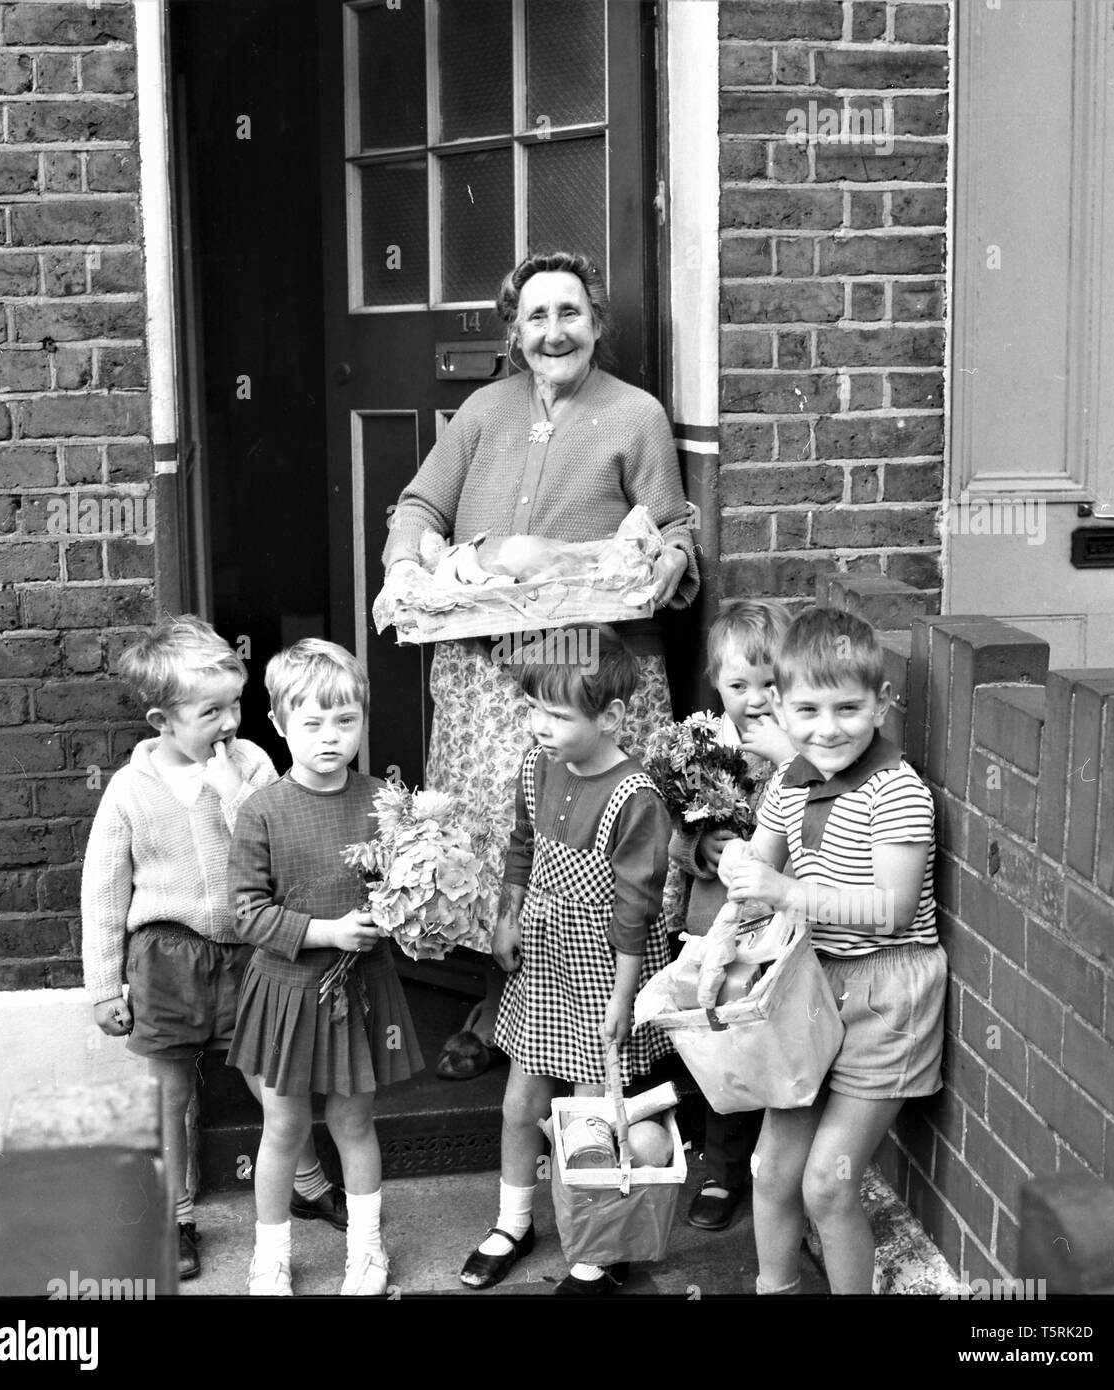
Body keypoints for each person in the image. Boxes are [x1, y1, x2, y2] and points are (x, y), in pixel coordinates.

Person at [382, 250, 698, 1079]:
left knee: (590, 838)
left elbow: (671, 523)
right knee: (499, 832)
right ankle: (500, 1002)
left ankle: (605, 1009)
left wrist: (671, 555)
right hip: (489, 675)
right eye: (535, 317)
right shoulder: (484, 412)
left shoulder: (635, 415)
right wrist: (405, 564)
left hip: (585, 674)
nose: (553, 331)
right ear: (514, 334)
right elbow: (419, 506)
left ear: (596, 323)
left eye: (569, 313)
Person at [81, 616, 343, 1284]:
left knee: (277, 1084)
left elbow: (280, 846)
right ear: (162, 720)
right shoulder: (129, 789)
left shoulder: (253, 765)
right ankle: (173, 1214)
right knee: (167, 1098)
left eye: (235, 705)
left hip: (250, 956)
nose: (230, 721)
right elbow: (105, 892)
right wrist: (104, 986)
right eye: (210, 712)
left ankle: (307, 1183)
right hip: (164, 960)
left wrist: (235, 797)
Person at [717, 606, 947, 1295]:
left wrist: (782, 891)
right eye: (809, 709)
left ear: (881, 704)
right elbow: (757, 876)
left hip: (886, 995)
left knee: (827, 1184)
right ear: (781, 708)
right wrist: (730, 910)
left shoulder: (898, 792)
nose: (828, 727)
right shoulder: (792, 782)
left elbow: (891, 910)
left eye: (848, 707)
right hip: (811, 986)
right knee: (773, 1169)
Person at [458, 627, 672, 1297]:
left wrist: (623, 999)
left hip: (608, 967)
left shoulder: (635, 797)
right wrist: (505, 916)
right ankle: (514, 1219)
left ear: (608, 718)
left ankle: (594, 1253)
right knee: (522, 1101)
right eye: (532, 711)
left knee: (588, 1120)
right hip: (545, 960)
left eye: (556, 715)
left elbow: (636, 909)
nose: (538, 727)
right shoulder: (537, 766)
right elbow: (521, 847)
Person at [226, 639, 424, 1296]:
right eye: (310, 723)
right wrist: (326, 930)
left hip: (360, 991)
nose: (330, 737)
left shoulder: (384, 800)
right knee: (283, 1124)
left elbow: (409, 889)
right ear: (279, 725)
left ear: (363, 718)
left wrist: (406, 911)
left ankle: (366, 1251)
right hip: (286, 990)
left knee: (353, 1122)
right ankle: (271, 1255)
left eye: (345, 720)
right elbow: (247, 915)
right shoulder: (261, 810)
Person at [667, 599, 795, 1233]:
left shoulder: (797, 750)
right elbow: (674, 842)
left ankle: (768, 1167)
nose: (754, 698)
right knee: (719, 1046)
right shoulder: (702, 748)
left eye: (769, 684)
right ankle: (718, 1167)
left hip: (768, 933)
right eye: (738, 684)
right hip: (708, 925)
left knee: (768, 1045)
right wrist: (701, 847)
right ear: (716, 681)